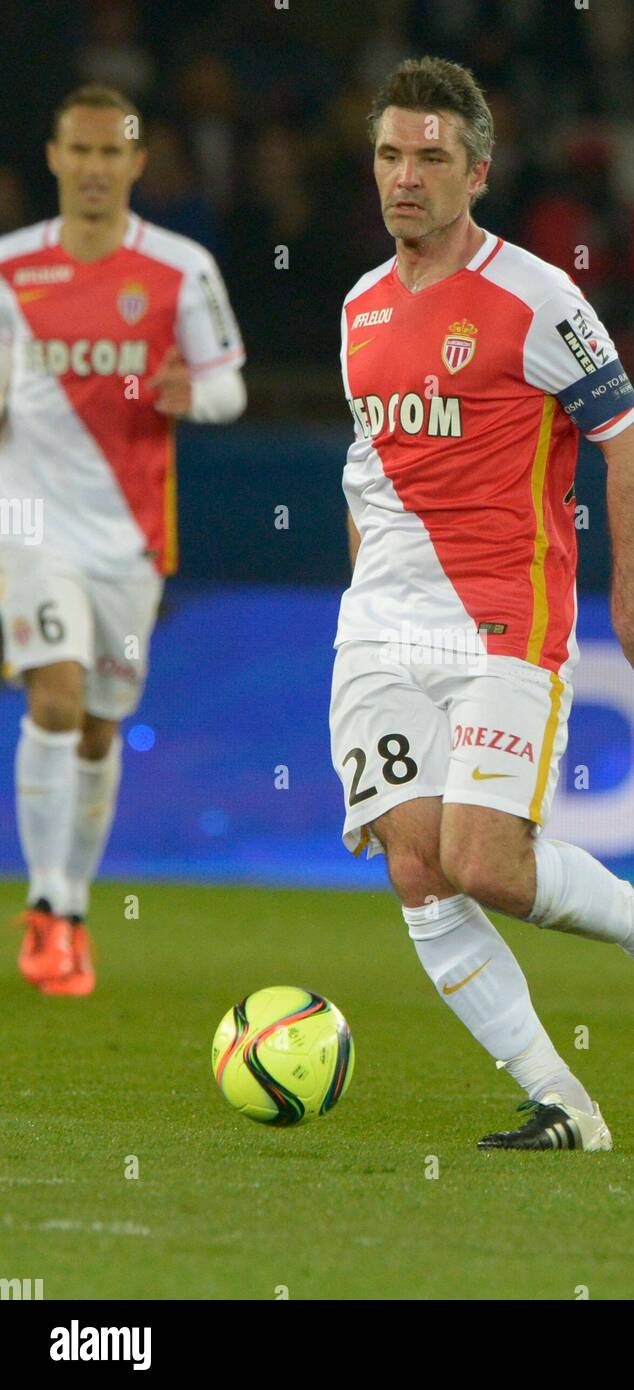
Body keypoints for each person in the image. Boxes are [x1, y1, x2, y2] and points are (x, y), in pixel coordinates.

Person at [329, 57, 634, 1152]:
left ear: (477, 170)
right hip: (377, 623)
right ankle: (565, 1102)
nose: (403, 177)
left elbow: (630, 441)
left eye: (428, 157)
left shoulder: (538, 298)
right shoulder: (359, 308)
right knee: (414, 862)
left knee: (486, 865)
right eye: (387, 154)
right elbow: (369, 468)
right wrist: (363, 596)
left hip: (504, 618)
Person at [0, 84, 246, 995]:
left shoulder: (181, 268)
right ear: (55, 158)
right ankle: (47, 908)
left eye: (114, 155)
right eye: (81, 152)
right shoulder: (10, 270)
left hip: (131, 539)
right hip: (27, 527)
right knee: (54, 700)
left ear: (137, 164)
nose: (96, 169)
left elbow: (230, 386)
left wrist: (193, 397)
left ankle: (74, 904)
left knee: (101, 725)